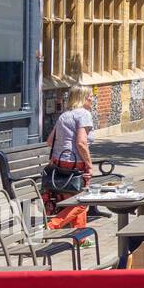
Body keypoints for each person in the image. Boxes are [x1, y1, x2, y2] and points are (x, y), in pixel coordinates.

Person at [46, 85, 96, 230]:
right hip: (75, 164)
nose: (92, 99)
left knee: (72, 199)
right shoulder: (84, 114)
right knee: (82, 202)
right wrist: (89, 165)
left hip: (59, 162)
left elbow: (50, 141)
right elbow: (81, 143)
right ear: (83, 98)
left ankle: (80, 237)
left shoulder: (64, 115)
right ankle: (52, 225)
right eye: (90, 96)